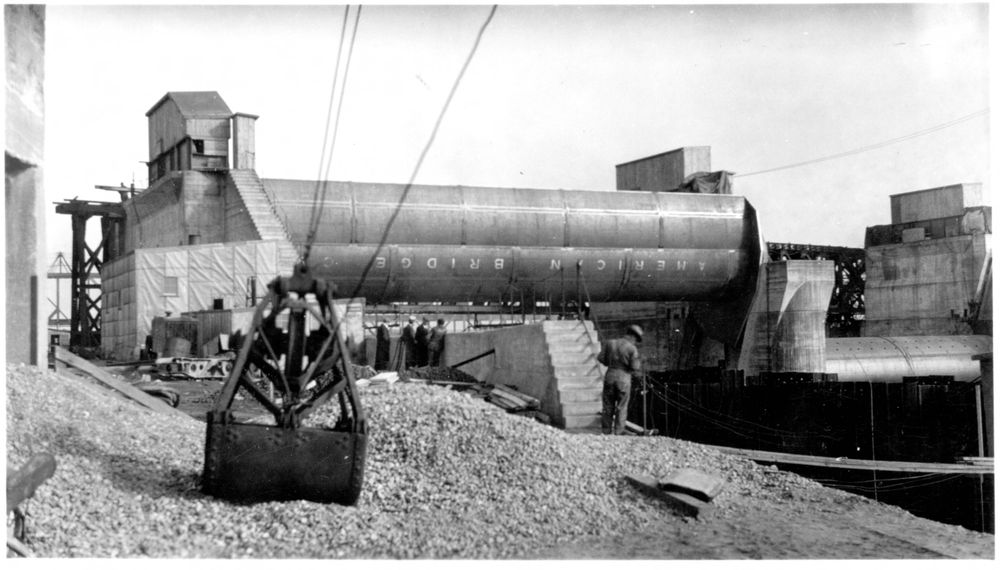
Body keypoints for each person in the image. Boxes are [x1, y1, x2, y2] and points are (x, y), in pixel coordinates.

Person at [597, 324, 643, 435]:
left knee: (607, 405)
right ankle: (618, 432)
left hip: (610, 376)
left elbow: (601, 358)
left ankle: (606, 431)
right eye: (636, 340)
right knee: (622, 406)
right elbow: (634, 367)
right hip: (624, 378)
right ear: (633, 336)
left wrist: (610, 362)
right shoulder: (632, 348)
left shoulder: (610, 343)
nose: (635, 342)